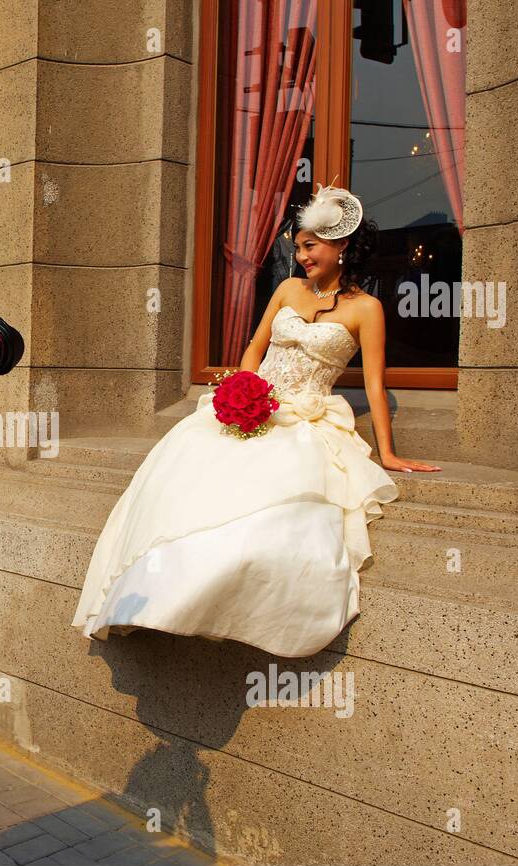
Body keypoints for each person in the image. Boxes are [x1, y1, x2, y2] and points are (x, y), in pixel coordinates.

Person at [72, 185, 440, 656]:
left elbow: (373, 384)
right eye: (299, 246)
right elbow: (254, 347)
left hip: (305, 419)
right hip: (249, 404)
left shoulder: (366, 310)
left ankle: (224, 607)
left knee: (268, 515)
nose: (301, 255)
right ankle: (148, 600)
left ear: (341, 245)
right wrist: (238, 391)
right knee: (178, 492)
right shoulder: (287, 289)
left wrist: (387, 452)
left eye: (310, 245)